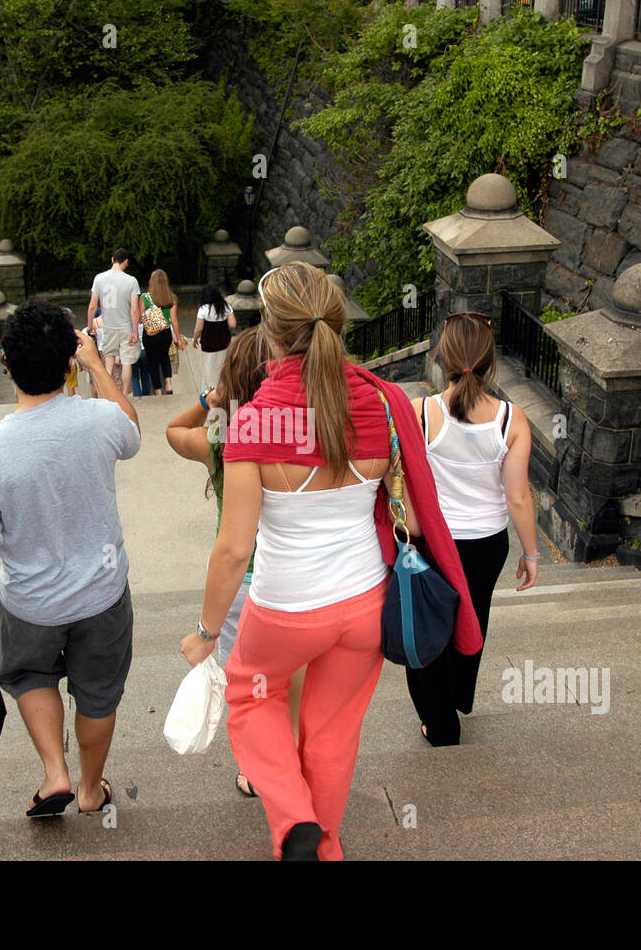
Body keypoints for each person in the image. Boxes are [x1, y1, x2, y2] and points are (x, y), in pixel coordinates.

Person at [180, 262, 480, 861]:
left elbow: (235, 547)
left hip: (285, 610)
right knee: (334, 734)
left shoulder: (255, 420)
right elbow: (414, 516)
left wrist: (206, 632)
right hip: (366, 606)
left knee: (251, 697)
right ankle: (328, 844)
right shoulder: (382, 402)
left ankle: (292, 822)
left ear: (269, 332)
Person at [0, 300, 141, 817]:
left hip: (30, 605)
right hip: (101, 595)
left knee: (31, 677)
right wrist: (98, 365)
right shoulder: (101, 420)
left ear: (6, 364)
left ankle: (55, 771)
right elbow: (133, 430)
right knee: (98, 694)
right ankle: (91, 789)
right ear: (69, 363)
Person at [166, 327, 297, 798]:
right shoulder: (299, 434)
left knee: (249, 683)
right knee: (290, 676)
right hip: (293, 576)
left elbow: (173, 431)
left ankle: (257, 768)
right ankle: (295, 754)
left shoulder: (222, 444)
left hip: (244, 587)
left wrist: (210, 398)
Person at [407, 313, 538, 747]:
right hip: (487, 544)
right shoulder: (510, 418)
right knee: (473, 615)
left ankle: (441, 722)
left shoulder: (421, 413)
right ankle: (461, 695)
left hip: (433, 541)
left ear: (442, 357)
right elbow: (518, 496)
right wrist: (531, 553)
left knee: (431, 627)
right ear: (489, 361)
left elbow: (405, 480)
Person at [88, 249, 141, 396]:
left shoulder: (99, 278)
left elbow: (93, 305)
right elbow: (135, 310)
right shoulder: (131, 281)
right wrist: (135, 331)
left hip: (108, 326)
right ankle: (124, 394)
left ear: (112, 259)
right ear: (126, 261)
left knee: (109, 362)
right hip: (126, 327)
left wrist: (89, 324)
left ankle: (107, 392)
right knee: (126, 362)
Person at [135, 269, 186, 395]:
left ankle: (158, 391)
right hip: (165, 333)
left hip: (150, 334)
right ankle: (168, 384)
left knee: (152, 363)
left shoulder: (145, 297)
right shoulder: (172, 297)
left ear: (152, 282)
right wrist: (178, 339)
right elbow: (174, 320)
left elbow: (141, 319)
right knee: (164, 358)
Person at [193, 284, 236, 389]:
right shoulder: (226, 307)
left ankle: (209, 392)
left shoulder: (203, 309)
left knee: (208, 369)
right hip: (224, 343)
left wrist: (194, 340)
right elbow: (233, 324)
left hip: (208, 344)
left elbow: (198, 329)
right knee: (222, 368)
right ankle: (222, 388)